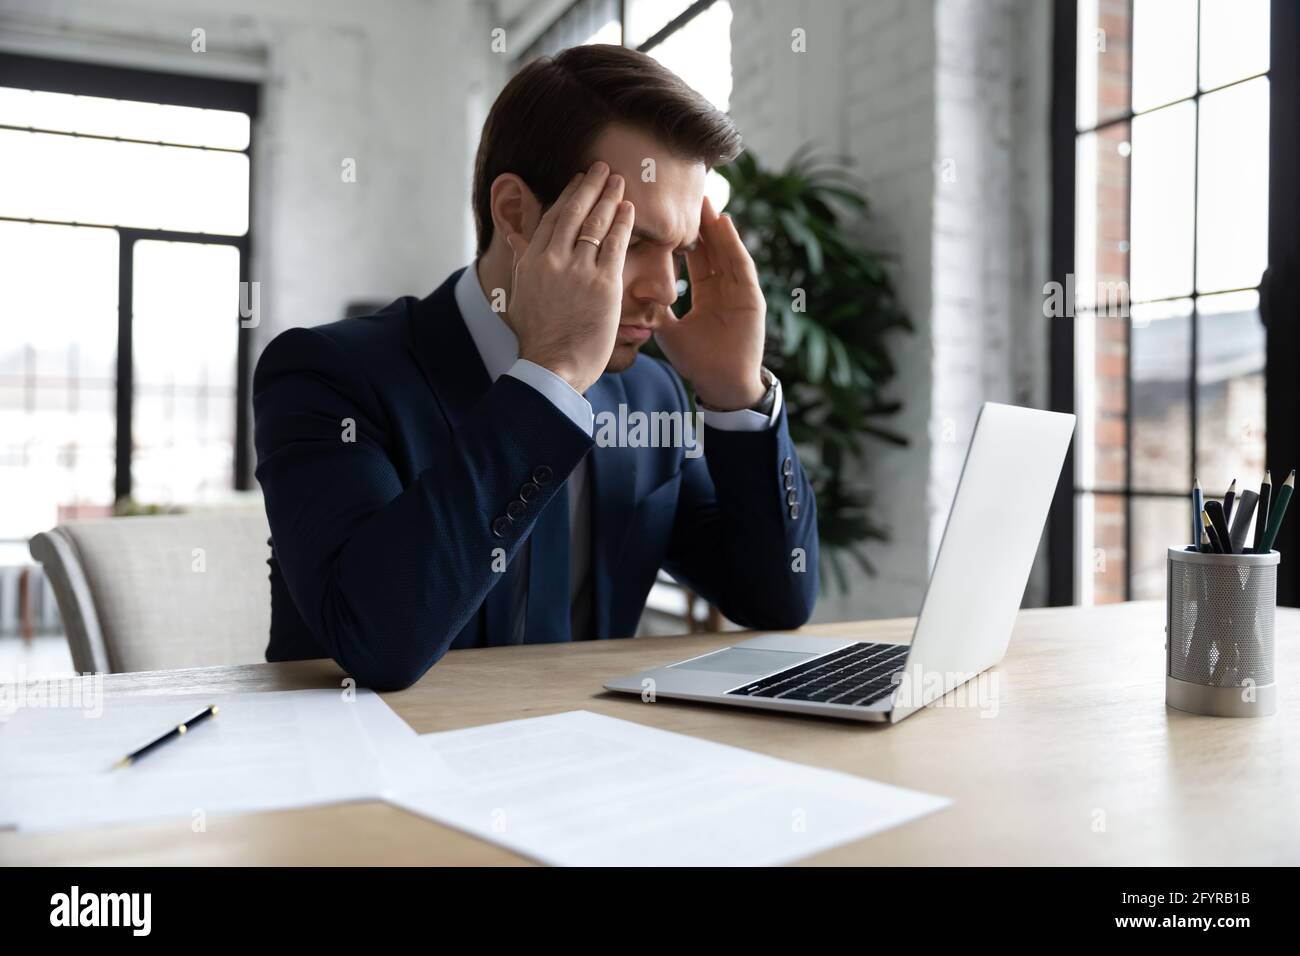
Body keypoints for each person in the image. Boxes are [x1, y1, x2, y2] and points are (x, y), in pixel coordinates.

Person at [253, 44, 819, 690]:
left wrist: (735, 394)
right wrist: (549, 378)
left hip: (588, 771)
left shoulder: (649, 394)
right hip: (369, 776)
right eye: (634, 241)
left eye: (682, 250)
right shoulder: (326, 377)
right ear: (517, 214)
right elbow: (378, 642)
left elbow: (776, 598)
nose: (667, 290)